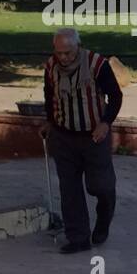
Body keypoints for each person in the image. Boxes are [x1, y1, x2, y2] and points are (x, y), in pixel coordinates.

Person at [41, 28, 122, 254]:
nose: (64, 58)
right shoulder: (50, 66)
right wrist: (49, 121)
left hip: (94, 135)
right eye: (59, 53)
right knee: (70, 189)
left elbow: (115, 96)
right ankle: (78, 238)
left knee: (101, 186)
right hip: (64, 135)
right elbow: (49, 94)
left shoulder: (97, 64)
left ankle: (103, 221)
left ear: (78, 46)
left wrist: (105, 123)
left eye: (68, 52)